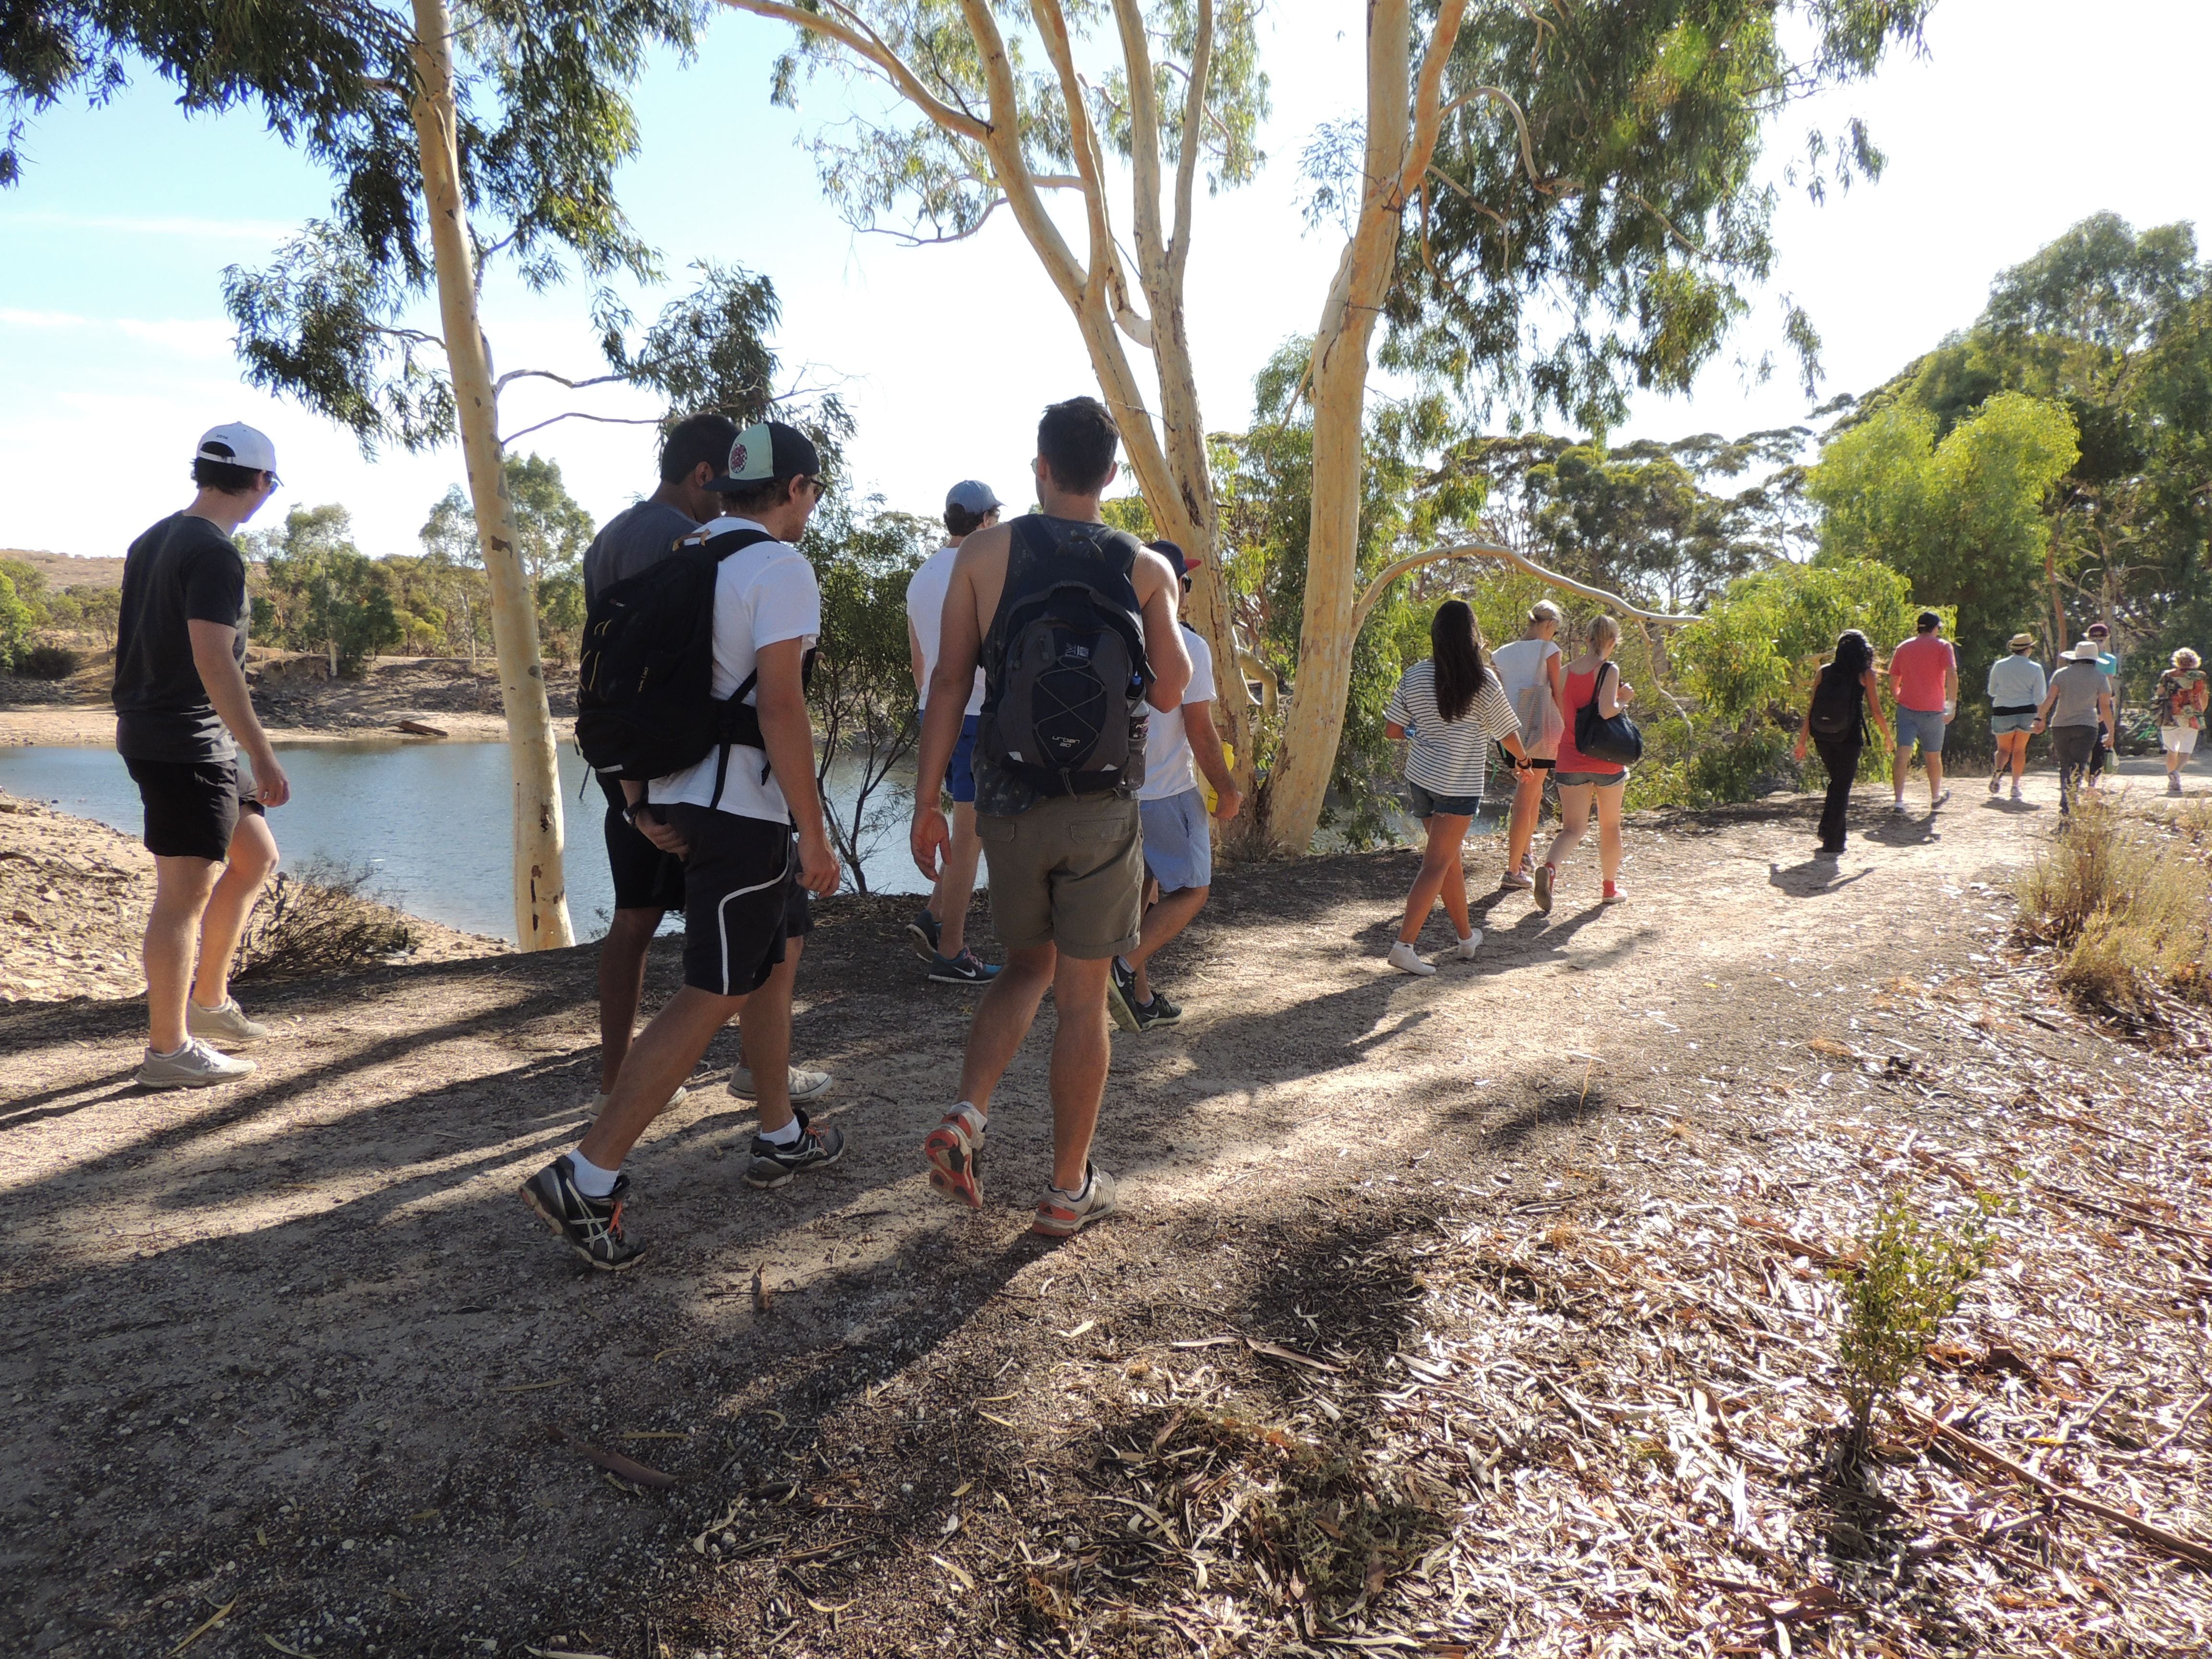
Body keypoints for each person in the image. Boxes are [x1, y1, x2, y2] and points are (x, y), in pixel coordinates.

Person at [522, 421, 843, 1270]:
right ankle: (587, 1177)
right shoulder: (779, 567)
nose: (812, 506)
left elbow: (618, 686)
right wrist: (816, 831)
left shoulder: (683, 553)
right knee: (713, 989)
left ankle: (778, 1132)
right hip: (742, 811)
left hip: (679, 799)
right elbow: (780, 706)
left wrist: (635, 801)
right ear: (795, 489)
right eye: (814, 492)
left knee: (771, 960)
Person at [909, 397, 1191, 1238]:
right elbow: (1172, 686)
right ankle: (1066, 1190)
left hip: (1006, 797)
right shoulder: (1145, 566)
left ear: (1038, 466)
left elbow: (951, 683)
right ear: (1110, 474)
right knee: (1081, 998)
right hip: (1101, 807)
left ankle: (966, 1115)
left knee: (1023, 968)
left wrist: (929, 800)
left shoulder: (984, 552)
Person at [114, 424, 291, 1089]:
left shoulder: (154, 538)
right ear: (258, 482)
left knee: (255, 857)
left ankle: (209, 1005)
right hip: (185, 740)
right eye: (270, 484)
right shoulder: (214, 553)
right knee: (184, 895)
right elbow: (215, 661)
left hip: (170, 732)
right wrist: (265, 757)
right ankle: (168, 1051)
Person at [1109, 539, 1243, 1026]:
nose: (1186, 589)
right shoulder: (1188, 645)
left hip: (1115, 792)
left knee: (1143, 894)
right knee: (1192, 891)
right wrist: (1227, 791)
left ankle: (1140, 1000)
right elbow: (1200, 730)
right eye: (1184, 581)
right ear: (1174, 586)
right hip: (1166, 791)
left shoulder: (1114, 632)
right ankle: (1121, 969)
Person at [1382, 600, 1529, 974]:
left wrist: (1421, 731)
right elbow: (1507, 733)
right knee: (1437, 863)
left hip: (1422, 781)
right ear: (1472, 636)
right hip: (1458, 785)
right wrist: (1524, 762)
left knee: (1449, 861)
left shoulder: (1415, 675)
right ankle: (1404, 946)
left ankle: (1466, 938)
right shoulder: (1483, 680)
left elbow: (1394, 730)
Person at [904, 480, 1004, 986]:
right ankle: (952, 951)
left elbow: (921, 665)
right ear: (985, 520)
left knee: (965, 831)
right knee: (970, 839)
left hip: (935, 716)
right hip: (977, 714)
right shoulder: (984, 568)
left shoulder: (921, 577)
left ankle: (932, 916)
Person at [1535, 613, 1633, 912]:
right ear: (1612, 641)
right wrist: (1624, 698)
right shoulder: (1609, 670)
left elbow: (1565, 714)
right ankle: (1609, 888)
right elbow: (1607, 711)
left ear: (1587, 639)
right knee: (1610, 825)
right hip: (1606, 761)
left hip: (1569, 757)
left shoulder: (1563, 673)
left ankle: (1550, 868)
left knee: (1573, 829)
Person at [1793, 629, 1891, 856]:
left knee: (1837, 783)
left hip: (1822, 735)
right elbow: (1876, 711)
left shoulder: (1823, 672)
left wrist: (1802, 741)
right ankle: (1830, 841)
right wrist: (1887, 736)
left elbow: (1811, 709)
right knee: (1841, 787)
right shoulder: (1866, 675)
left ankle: (1833, 833)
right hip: (1849, 737)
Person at [1490, 600, 1564, 890]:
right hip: (1540, 732)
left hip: (1507, 731)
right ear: (1549, 625)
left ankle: (1525, 853)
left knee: (1532, 795)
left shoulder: (1501, 653)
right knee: (1527, 796)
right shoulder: (1549, 650)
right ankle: (1512, 870)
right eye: (1555, 629)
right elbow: (1558, 692)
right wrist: (1572, 729)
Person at [2031, 640, 2117, 817]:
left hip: (2061, 725)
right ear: (2094, 660)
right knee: (2079, 764)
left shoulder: (2061, 674)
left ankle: (2066, 799)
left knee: (2065, 764)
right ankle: (2070, 800)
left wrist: (2039, 718)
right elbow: (2105, 707)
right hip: (2087, 726)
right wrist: (2111, 732)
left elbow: (2050, 699)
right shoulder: (2100, 677)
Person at [1887, 610, 1958, 813]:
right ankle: (1935, 797)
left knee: (1903, 753)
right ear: (1935, 628)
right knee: (1933, 756)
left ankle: (1899, 801)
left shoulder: (1904, 647)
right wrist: (1951, 705)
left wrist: (1898, 696)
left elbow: (1894, 679)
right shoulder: (1944, 646)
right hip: (1934, 710)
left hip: (1907, 708)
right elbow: (1952, 674)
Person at [1985, 633, 2047, 802]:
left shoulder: (2000, 665)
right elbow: (2040, 697)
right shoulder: (2035, 668)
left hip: (2003, 710)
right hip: (2027, 711)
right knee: (2019, 750)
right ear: (2029, 649)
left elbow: (1992, 691)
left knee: (2003, 749)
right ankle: (2015, 786)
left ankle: (1999, 770)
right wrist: (2041, 718)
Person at [2155, 646, 2208, 796]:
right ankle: (2177, 773)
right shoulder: (2200, 676)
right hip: (2191, 717)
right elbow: (2204, 696)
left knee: (2172, 750)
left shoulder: (2168, 675)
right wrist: (2199, 712)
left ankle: (2172, 782)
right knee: (2186, 751)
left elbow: (2159, 694)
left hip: (2170, 717)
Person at [2084, 620, 2121, 791]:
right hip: (2100, 703)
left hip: (2088, 702)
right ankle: (2091, 777)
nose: (2099, 642)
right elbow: (2108, 685)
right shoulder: (2109, 660)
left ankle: (2090, 777)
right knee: (2099, 742)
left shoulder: (2081, 657)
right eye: (2096, 639)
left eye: (2100, 639)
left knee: (2096, 742)